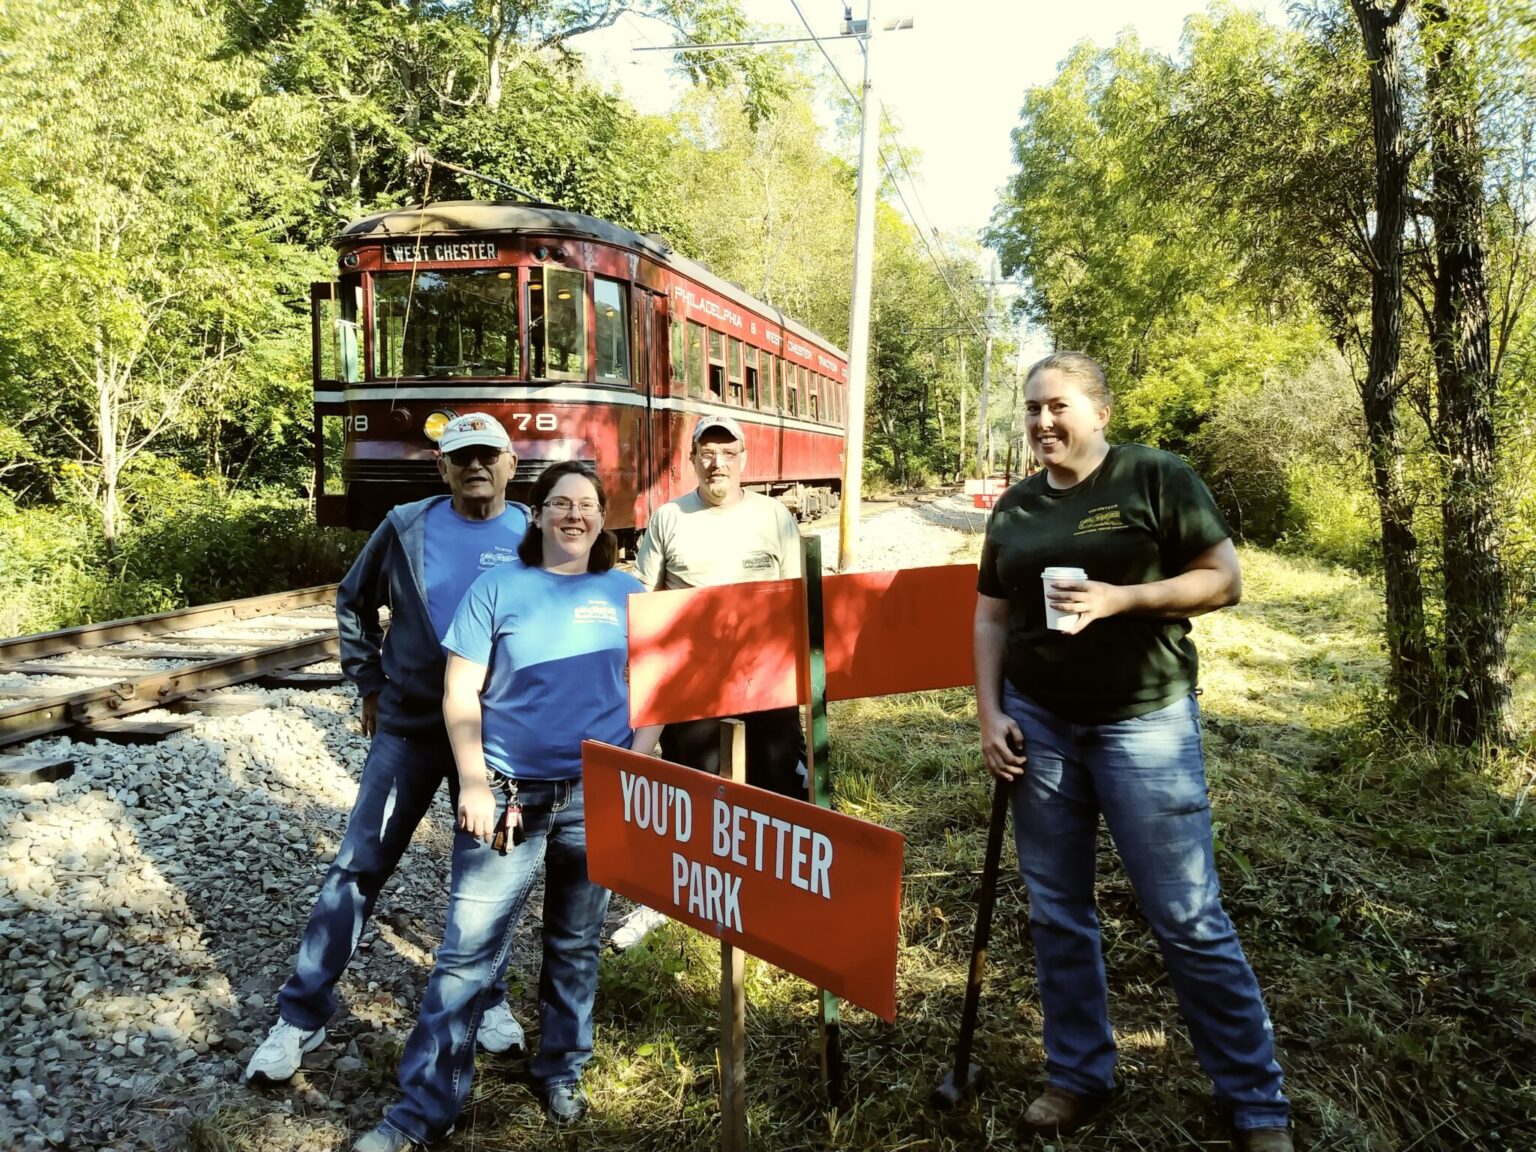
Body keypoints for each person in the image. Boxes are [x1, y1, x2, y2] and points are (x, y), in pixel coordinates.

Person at [972, 352, 1293, 1152]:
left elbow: (1223, 580)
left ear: (1100, 411)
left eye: (1059, 406)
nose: (1044, 422)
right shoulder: (1013, 510)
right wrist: (988, 715)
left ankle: (1255, 1099)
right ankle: (1078, 1074)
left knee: (1185, 914)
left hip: (1143, 723)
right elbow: (989, 620)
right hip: (1040, 723)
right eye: (1033, 408)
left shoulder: (1155, 476)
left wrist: (1124, 599)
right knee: (1056, 912)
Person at [351, 461, 663, 1152]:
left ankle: (561, 1068)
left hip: (597, 793)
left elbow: (654, 688)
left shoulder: (629, 594)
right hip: (511, 795)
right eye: (558, 502)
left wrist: (637, 764)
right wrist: (472, 782)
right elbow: (460, 694)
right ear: (539, 513)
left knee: (576, 945)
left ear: (603, 517)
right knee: (467, 954)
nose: (572, 515)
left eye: (585, 504)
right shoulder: (499, 587)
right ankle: (422, 1111)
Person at [245, 413, 531, 1083]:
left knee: (486, 887)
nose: (475, 467)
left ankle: (489, 999)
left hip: (498, 744)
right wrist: (367, 679)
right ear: (442, 467)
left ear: (512, 464)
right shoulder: (406, 525)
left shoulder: (534, 533)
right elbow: (353, 599)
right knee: (355, 869)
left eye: (488, 455)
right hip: (406, 731)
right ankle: (300, 1017)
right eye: (461, 457)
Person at [611, 414, 806, 950]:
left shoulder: (775, 517)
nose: (717, 461)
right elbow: (644, 600)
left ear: (744, 459)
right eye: (707, 452)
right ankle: (673, 899)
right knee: (690, 793)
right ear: (692, 459)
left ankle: (774, 899)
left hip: (766, 681)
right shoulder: (668, 518)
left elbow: (797, 603)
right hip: (690, 684)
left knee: (777, 787)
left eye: (727, 451)